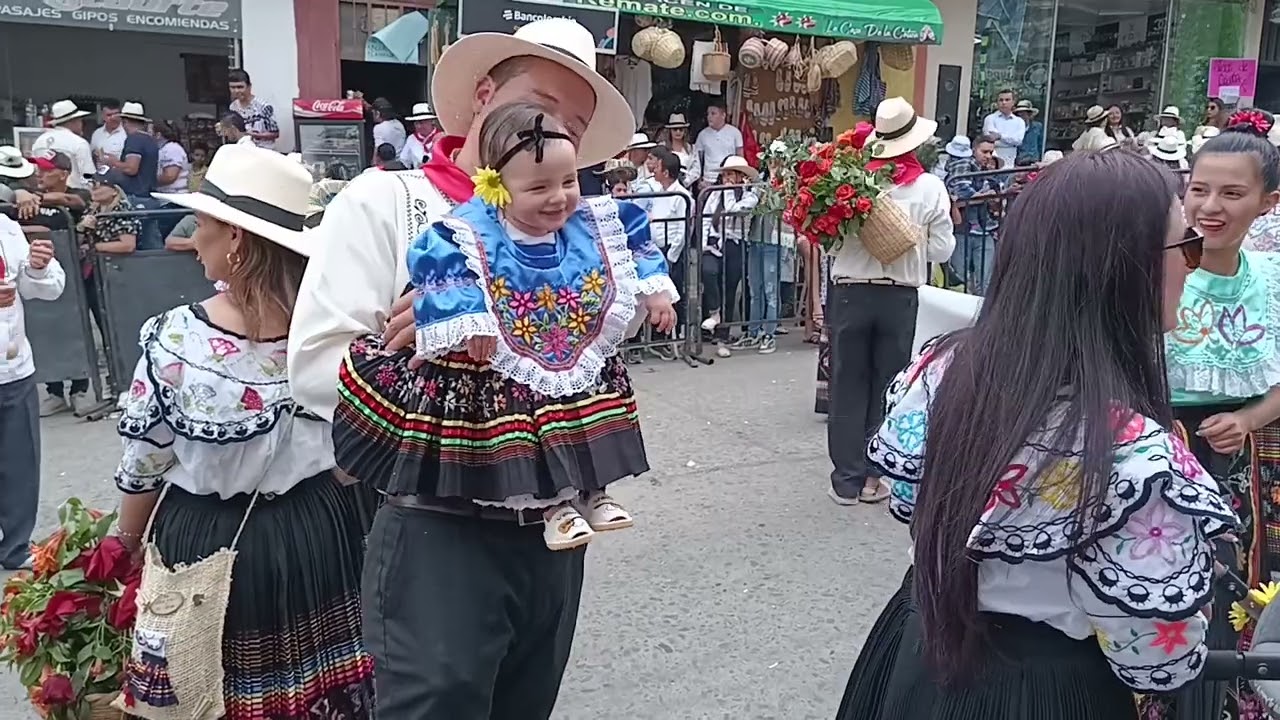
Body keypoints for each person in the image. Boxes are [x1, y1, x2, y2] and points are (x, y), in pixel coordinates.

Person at [287, 18, 635, 718]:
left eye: (570, 123)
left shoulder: (576, 234)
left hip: (554, 529)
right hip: (438, 526)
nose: (549, 126)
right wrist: (433, 346)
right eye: (540, 103)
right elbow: (317, 364)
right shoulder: (389, 202)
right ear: (483, 96)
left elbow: (592, 366)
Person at [834, 147, 1231, 720]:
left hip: (918, 653)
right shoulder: (1136, 458)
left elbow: (908, 499)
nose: (1192, 264)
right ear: (1124, 267)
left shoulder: (938, 369)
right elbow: (1154, 658)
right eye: (1186, 246)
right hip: (1046, 691)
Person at [333, 101, 675, 553]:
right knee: (534, 427)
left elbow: (632, 242)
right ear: (499, 188)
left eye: (569, 181)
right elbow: (446, 268)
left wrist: (653, 291)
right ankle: (551, 506)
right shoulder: (468, 231)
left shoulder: (589, 221)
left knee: (582, 417)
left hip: (568, 338)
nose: (559, 197)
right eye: (539, 187)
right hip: (508, 361)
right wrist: (469, 320)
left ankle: (596, 491)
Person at [113, 144, 373, 719]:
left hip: (209, 545)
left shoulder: (178, 342)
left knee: (205, 686)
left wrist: (123, 548)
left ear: (235, 239)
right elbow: (356, 455)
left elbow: (145, 463)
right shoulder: (338, 334)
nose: (195, 235)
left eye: (204, 222)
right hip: (318, 532)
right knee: (317, 688)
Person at [1140, 109, 1280, 720]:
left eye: (1232, 192)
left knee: (1236, 594)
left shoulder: (1272, 280)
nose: (1210, 206)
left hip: (1246, 463)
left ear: (1267, 203)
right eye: (1199, 189)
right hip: (1154, 450)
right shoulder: (1154, 270)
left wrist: (1251, 418)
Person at [826, 98, 955, 506]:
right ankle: (872, 477)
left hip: (850, 292)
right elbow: (941, 251)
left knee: (847, 384)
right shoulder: (931, 188)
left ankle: (845, 480)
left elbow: (828, 240)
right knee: (888, 383)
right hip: (899, 295)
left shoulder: (846, 185)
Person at [0, 177, 64, 571]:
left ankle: (16, 544)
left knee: (21, 460)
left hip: (14, 365)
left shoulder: (6, 228)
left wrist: (38, 267)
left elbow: (48, 287)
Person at [699, 155, 758, 358]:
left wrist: (730, 192)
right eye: (725, 174)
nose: (727, 178)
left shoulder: (750, 195)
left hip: (736, 244)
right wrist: (704, 243)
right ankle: (714, 313)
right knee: (708, 272)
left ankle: (722, 338)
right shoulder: (714, 194)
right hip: (715, 243)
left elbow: (733, 210)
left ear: (741, 176)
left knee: (730, 289)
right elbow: (706, 218)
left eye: (731, 174)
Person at [30, 100, 94, 190]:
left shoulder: (40, 140)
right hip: (71, 195)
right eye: (80, 120)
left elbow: (34, 170)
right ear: (73, 121)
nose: (81, 124)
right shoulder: (79, 143)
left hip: (44, 194)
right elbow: (88, 176)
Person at [228, 68, 280, 150]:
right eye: (232, 87)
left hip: (264, 152)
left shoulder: (263, 106)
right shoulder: (233, 107)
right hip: (243, 151)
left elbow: (275, 134)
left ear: (249, 87)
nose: (236, 91)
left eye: (240, 87)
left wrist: (253, 135)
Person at [694, 101, 743, 185]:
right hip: (708, 179)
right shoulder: (702, 135)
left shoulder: (735, 132)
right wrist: (700, 180)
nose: (709, 117)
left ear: (723, 115)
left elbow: (740, 157)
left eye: (713, 113)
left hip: (729, 179)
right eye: (708, 114)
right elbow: (698, 160)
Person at [982, 89, 1024, 167]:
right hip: (993, 161)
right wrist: (1010, 142)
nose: (1003, 103)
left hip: (1011, 161)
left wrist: (1000, 136)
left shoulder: (1019, 122)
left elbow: (1018, 141)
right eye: (1001, 100)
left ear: (1013, 102)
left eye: (1007, 100)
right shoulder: (990, 119)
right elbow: (990, 139)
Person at [661, 113, 698, 186]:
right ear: (670, 131)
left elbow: (696, 169)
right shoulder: (662, 147)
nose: (678, 132)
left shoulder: (691, 148)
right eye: (675, 129)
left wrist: (685, 182)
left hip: (686, 185)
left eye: (681, 129)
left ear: (685, 131)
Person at [399, 102, 439, 168]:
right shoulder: (412, 139)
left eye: (423, 122)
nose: (419, 126)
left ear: (432, 121)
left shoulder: (441, 138)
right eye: (416, 123)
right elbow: (404, 161)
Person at [1013, 99, 1043, 163]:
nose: (1021, 117)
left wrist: (1040, 159)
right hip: (1019, 162)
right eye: (1019, 114)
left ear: (1029, 115)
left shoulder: (1037, 127)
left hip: (1034, 161)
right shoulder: (1014, 129)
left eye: (1023, 114)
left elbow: (1040, 144)